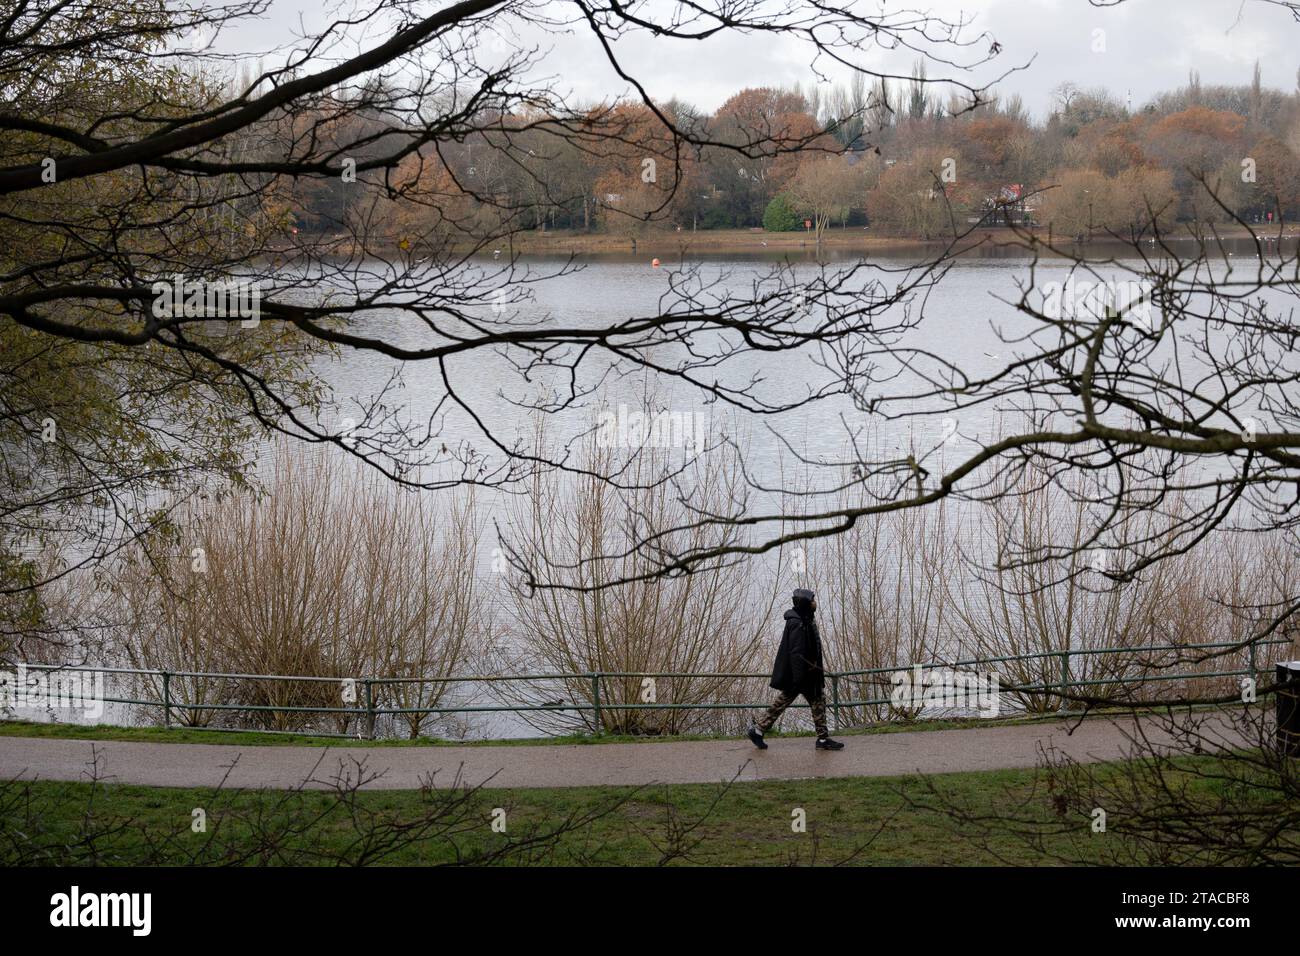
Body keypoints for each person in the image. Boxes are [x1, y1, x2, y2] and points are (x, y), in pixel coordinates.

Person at [749, 588, 844, 750]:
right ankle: (758, 729)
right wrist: (799, 679)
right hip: (801, 676)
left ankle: (822, 739)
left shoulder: (805, 619)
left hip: (808, 674)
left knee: (816, 702)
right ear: (806, 603)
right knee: (791, 702)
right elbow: (796, 653)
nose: (815, 603)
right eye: (812, 600)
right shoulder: (798, 623)